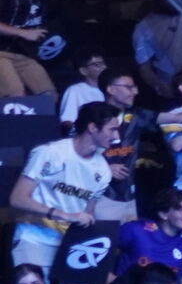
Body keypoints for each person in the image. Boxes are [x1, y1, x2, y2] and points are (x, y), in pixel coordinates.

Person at [10, 101, 115, 272]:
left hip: (70, 244)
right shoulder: (49, 153)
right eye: (112, 129)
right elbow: (17, 198)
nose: (116, 136)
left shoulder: (103, 170)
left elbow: (87, 213)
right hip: (34, 238)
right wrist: (62, 215)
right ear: (93, 128)